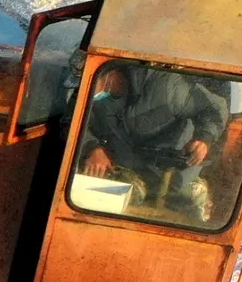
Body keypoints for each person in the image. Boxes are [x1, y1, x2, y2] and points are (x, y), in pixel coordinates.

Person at [77, 62, 228, 219]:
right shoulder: (88, 93)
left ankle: (194, 192)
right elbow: (71, 120)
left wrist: (204, 139)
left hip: (175, 174)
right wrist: (92, 147)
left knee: (187, 211)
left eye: (89, 82)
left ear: (110, 75)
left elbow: (213, 108)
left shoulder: (166, 87)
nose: (83, 90)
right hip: (125, 171)